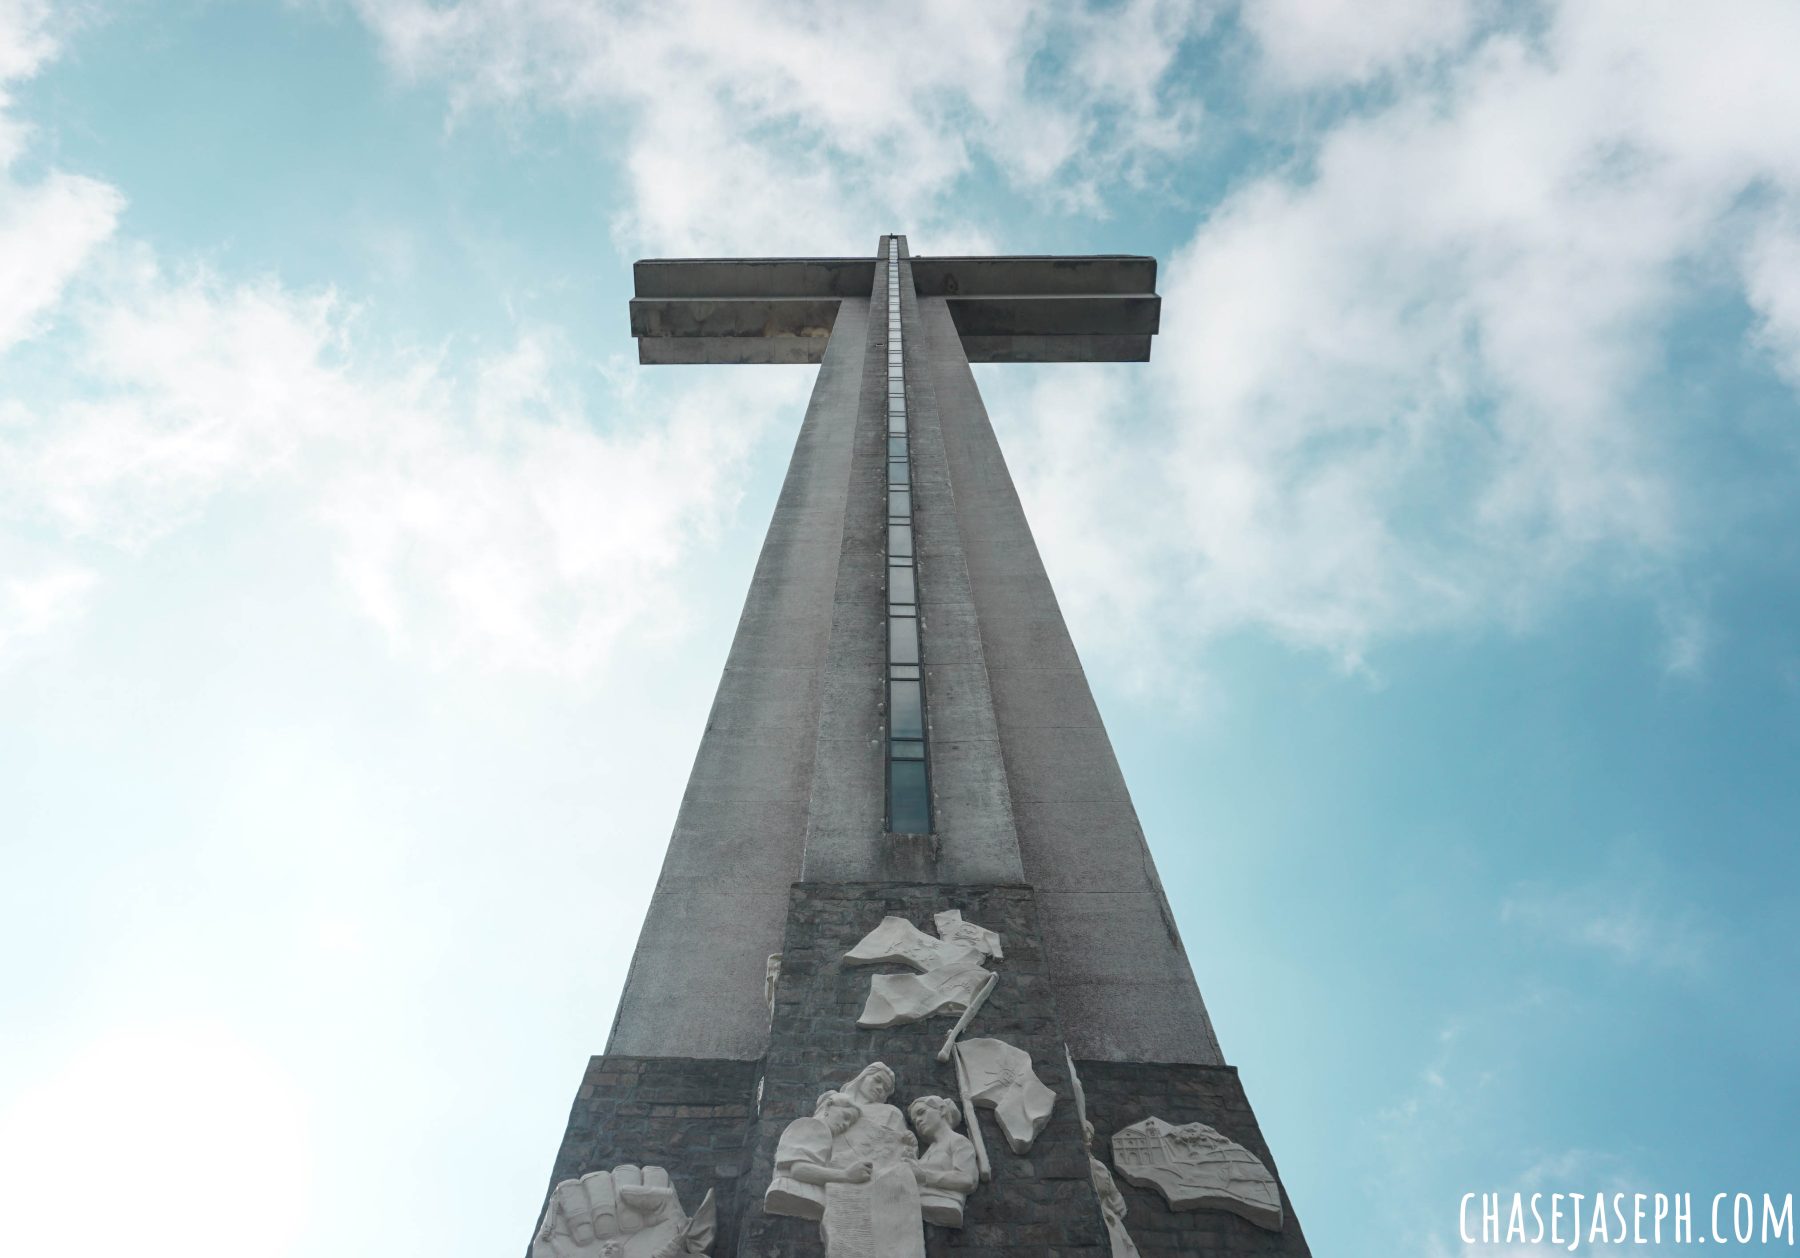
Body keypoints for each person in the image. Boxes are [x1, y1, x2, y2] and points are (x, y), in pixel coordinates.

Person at [765, 1092, 873, 1221]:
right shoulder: (814, 1126)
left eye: (849, 1123)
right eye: (845, 1117)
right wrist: (846, 1175)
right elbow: (799, 1170)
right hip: (797, 1191)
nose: (845, 1125)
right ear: (828, 1106)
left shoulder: (819, 1131)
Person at [906, 1096, 978, 1227]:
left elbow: (967, 1179)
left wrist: (923, 1175)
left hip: (945, 1203)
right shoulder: (931, 1150)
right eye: (915, 1120)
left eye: (921, 1112)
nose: (918, 1121)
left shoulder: (958, 1141)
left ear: (942, 1110)